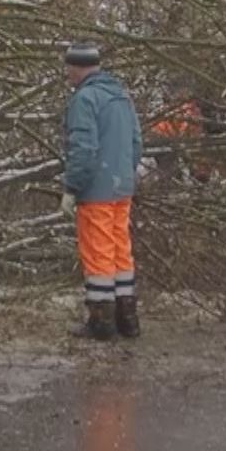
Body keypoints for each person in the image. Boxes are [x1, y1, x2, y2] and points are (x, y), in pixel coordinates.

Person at [60, 43, 141, 341]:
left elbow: (83, 148)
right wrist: (125, 175)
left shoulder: (85, 99)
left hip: (96, 188)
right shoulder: (121, 96)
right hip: (122, 186)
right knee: (121, 250)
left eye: (68, 67)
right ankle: (128, 318)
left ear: (78, 67)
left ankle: (101, 321)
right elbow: (136, 143)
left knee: (98, 253)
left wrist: (72, 186)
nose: (67, 73)